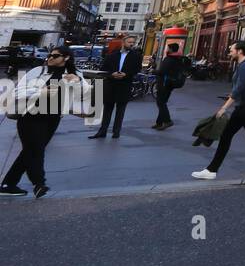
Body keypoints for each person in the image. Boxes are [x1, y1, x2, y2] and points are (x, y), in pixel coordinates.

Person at [1, 47, 94, 198]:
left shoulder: (74, 74)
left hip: (53, 118)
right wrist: (40, 92)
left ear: (66, 58)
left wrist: (77, 81)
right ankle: (39, 183)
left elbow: (84, 93)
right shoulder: (38, 71)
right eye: (50, 55)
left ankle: (8, 184)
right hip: (30, 116)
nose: (50, 57)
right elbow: (17, 91)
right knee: (36, 150)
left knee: (30, 151)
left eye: (55, 55)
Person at [190, 41, 245, 180]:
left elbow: (239, 88)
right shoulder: (244, 65)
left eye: (231, 50)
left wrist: (224, 108)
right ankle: (212, 170)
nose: (229, 52)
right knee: (236, 135)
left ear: (240, 51)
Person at [89, 36, 141, 139]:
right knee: (107, 110)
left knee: (120, 110)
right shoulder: (112, 55)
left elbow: (137, 69)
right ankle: (102, 131)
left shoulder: (136, 56)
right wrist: (112, 74)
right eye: (129, 42)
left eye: (133, 42)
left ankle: (116, 132)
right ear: (123, 42)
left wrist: (126, 74)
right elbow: (103, 69)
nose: (131, 44)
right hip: (111, 85)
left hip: (125, 86)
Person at [153, 43, 185, 129]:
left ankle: (167, 121)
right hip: (170, 84)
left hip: (164, 84)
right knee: (163, 102)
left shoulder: (169, 59)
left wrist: (154, 71)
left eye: (168, 48)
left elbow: (162, 72)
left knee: (160, 103)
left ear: (171, 49)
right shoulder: (178, 59)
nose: (166, 49)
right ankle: (159, 122)